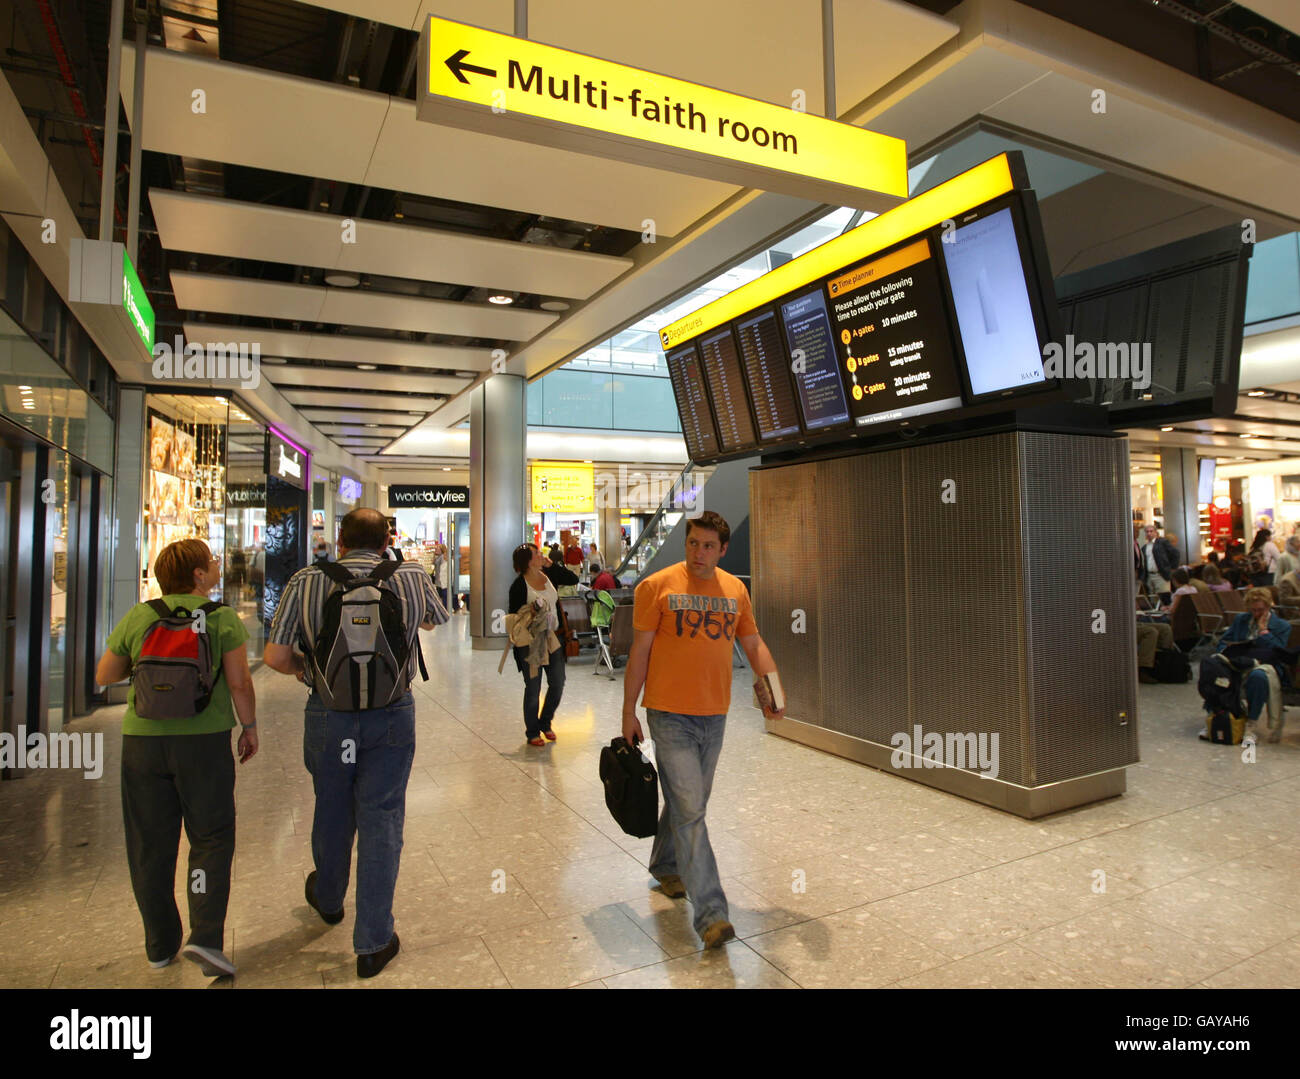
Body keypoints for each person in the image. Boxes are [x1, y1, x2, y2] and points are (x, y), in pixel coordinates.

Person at [263, 508, 447, 979]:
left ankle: (327, 899)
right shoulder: (409, 575)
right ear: (387, 538)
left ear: (339, 540)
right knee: (382, 816)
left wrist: (309, 671)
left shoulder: (306, 578)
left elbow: (275, 656)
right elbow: (434, 621)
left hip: (329, 716)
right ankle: (373, 941)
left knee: (332, 806)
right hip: (391, 714)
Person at [95, 539, 258, 978]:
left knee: (150, 844)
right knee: (210, 837)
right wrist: (250, 727)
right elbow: (241, 683)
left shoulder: (142, 615)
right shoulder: (222, 618)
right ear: (198, 576)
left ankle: (160, 944)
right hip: (204, 742)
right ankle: (205, 938)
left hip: (143, 744)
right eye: (211, 562)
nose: (216, 566)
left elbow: (104, 674)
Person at [622, 510, 784, 950]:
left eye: (708, 546)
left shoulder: (735, 590)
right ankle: (711, 913)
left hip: (715, 713)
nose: (699, 552)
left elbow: (752, 642)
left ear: (723, 549)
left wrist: (772, 691)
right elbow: (640, 652)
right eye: (693, 543)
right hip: (668, 713)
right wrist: (628, 711)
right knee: (692, 807)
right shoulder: (656, 587)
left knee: (687, 802)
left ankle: (665, 864)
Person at [1203, 587, 1294, 746]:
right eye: (1253, 610)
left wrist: (1264, 631)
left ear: (1268, 607)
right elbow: (1224, 641)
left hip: (1266, 664)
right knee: (1215, 669)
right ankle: (1217, 716)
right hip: (1239, 661)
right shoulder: (1241, 620)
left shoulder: (1282, 626)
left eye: (1261, 610)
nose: (1257, 613)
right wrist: (1224, 652)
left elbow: (1279, 651)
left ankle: (1251, 724)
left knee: (1258, 677)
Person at [508, 543, 565, 746]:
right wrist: (531, 612)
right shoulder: (519, 585)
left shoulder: (549, 575)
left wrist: (553, 565)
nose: (541, 555)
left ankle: (545, 721)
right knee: (533, 687)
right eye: (537, 554)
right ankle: (532, 731)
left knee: (558, 682)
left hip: (552, 638)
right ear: (527, 561)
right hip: (530, 642)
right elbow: (515, 618)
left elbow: (571, 579)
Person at [1139, 524, 1178, 604]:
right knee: (1153, 600)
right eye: (1147, 532)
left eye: (1151, 531)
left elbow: (1175, 553)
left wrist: (1172, 568)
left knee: (1164, 599)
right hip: (1149, 576)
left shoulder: (1162, 542)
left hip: (1161, 575)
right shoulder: (1144, 547)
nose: (1149, 533)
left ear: (1156, 532)